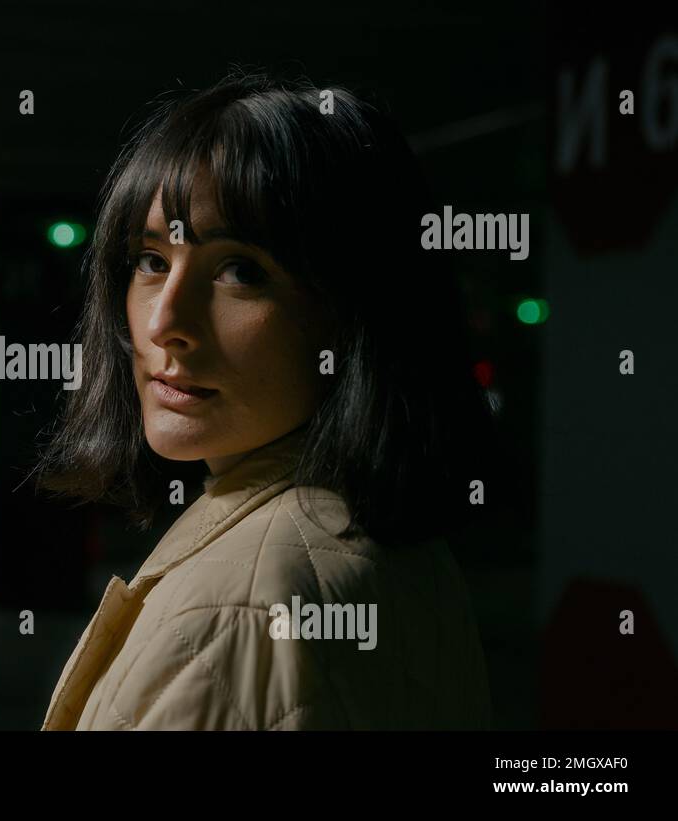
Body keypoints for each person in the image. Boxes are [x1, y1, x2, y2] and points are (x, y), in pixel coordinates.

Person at [37, 69, 494, 730]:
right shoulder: (400, 549)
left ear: (357, 312)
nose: (167, 319)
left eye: (240, 271)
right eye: (151, 259)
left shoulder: (232, 612)